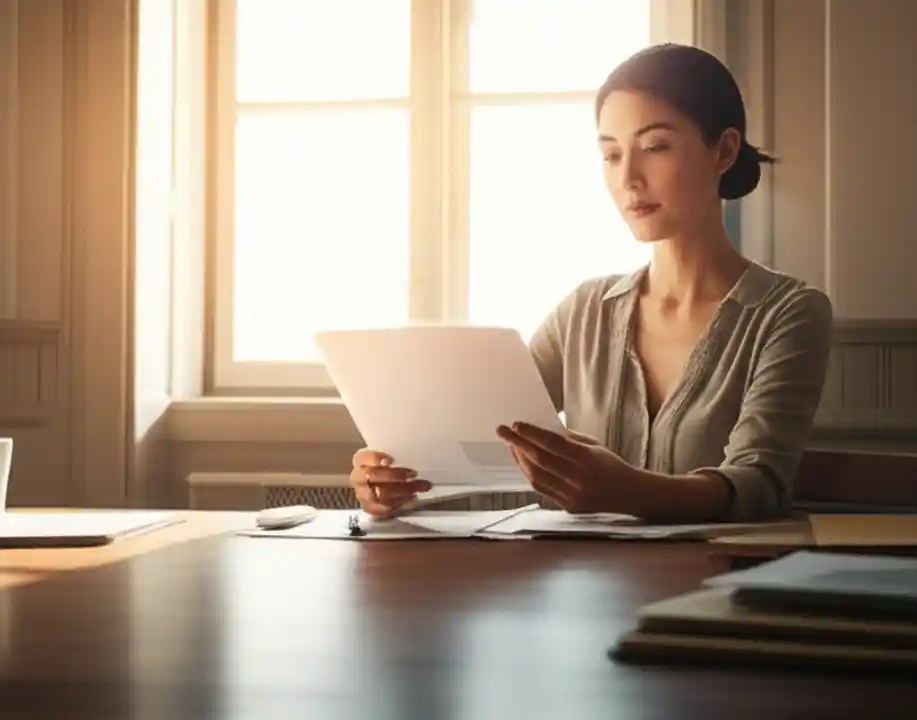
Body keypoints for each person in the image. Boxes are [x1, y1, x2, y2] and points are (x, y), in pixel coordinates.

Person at [349, 44, 833, 523]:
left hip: (714, 586)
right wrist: (392, 478)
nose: (629, 178)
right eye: (611, 155)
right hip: (581, 586)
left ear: (724, 150)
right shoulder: (584, 310)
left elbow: (760, 484)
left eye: (655, 147)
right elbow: (478, 440)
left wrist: (623, 489)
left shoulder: (789, 312)